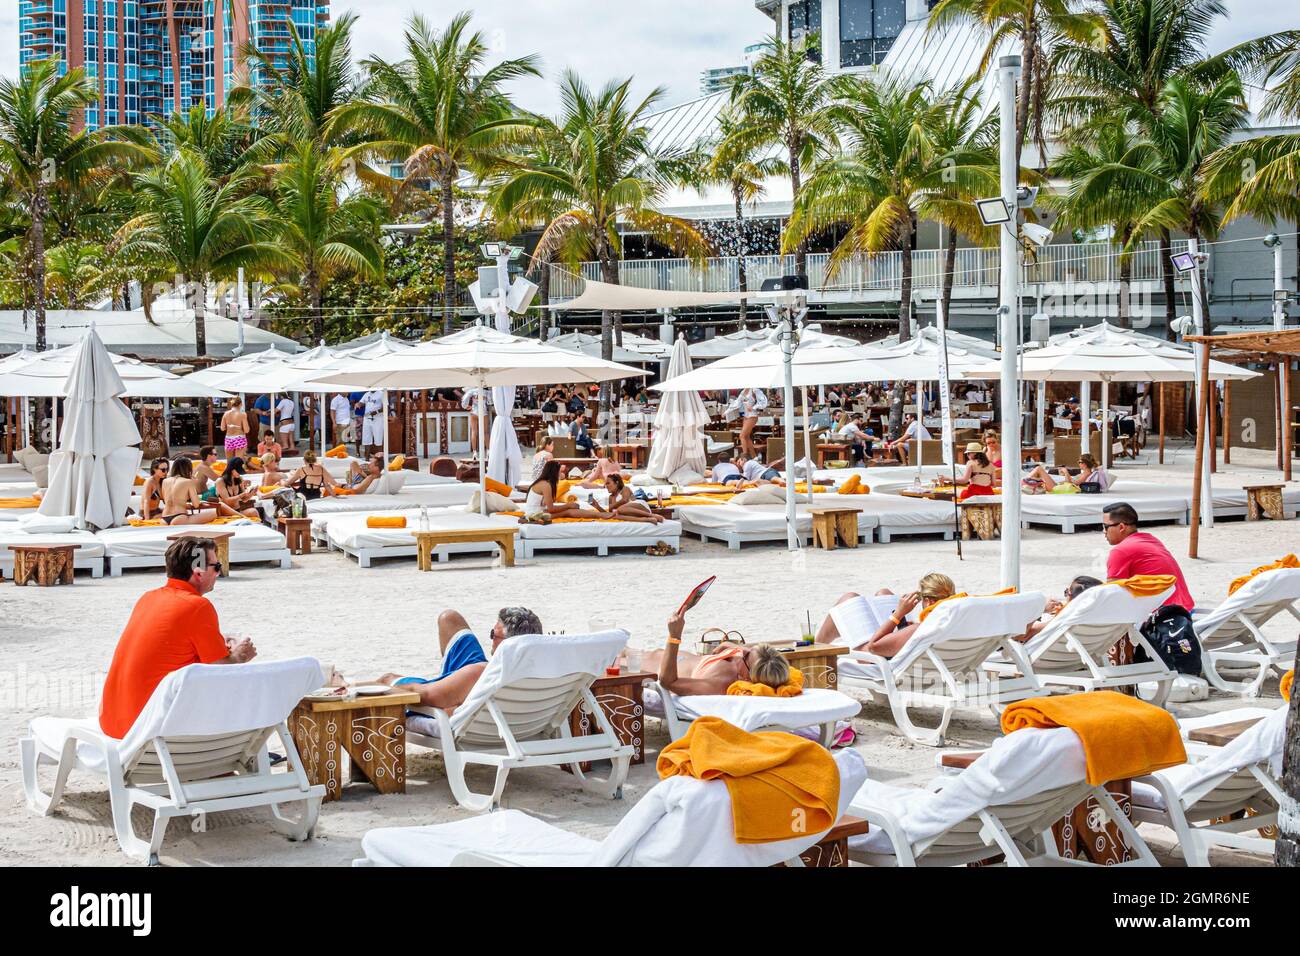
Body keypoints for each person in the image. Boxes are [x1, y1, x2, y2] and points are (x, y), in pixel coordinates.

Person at [99, 537, 257, 738]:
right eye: (216, 566)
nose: (219, 572)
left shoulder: (148, 598)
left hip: (114, 723)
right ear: (198, 571)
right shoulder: (197, 607)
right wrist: (239, 655)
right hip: (148, 731)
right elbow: (221, 669)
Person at [377, 607, 543, 712]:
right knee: (449, 618)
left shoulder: (480, 672)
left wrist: (369, 686)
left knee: (388, 678)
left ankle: (448, 681)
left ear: (508, 644)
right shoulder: (550, 671)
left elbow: (426, 695)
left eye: (494, 635)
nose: (491, 639)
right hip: (492, 697)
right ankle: (450, 678)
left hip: (472, 687)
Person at [641, 609, 792, 696]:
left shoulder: (719, 683)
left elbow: (668, 682)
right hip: (658, 655)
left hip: (646, 669)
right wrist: (728, 645)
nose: (741, 652)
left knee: (619, 652)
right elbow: (746, 652)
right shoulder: (745, 661)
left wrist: (674, 637)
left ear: (749, 678)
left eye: (745, 656)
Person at [815, 572, 957, 657]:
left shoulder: (922, 628)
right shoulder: (955, 619)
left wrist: (898, 614)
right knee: (883, 593)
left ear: (928, 601)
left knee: (849, 598)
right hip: (918, 653)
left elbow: (873, 646)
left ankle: (816, 646)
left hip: (878, 657)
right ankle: (817, 643)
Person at [1102, 503, 1194, 609]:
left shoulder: (1120, 551)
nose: (1104, 532)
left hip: (1162, 617)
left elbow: (1112, 595)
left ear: (1121, 527)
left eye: (1105, 527)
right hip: (1184, 610)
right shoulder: (1150, 539)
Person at [1024, 575, 1103, 641]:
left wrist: (1040, 608)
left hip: (1051, 657)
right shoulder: (1102, 617)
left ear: (1072, 598)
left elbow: (1022, 635)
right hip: (1088, 653)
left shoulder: (1066, 619)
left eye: (1066, 592)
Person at [522, 459, 595, 523]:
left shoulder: (544, 482)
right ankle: (600, 515)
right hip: (535, 516)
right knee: (569, 512)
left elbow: (544, 504)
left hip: (536, 513)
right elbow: (551, 509)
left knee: (569, 509)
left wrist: (567, 506)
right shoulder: (545, 485)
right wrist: (568, 505)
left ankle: (599, 514)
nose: (561, 474)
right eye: (559, 472)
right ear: (554, 472)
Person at [160, 457, 219, 525]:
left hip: (164, 519)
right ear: (188, 469)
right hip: (179, 517)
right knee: (214, 513)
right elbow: (196, 504)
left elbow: (167, 501)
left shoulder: (165, 481)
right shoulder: (188, 481)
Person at [593, 473, 665, 524]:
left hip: (640, 507)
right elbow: (609, 514)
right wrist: (598, 507)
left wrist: (613, 507)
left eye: (608, 483)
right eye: (605, 484)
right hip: (629, 513)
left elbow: (625, 500)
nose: (606, 485)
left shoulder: (625, 489)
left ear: (616, 483)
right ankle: (646, 519)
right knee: (615, 516)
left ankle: (652, 515)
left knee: (619, 510)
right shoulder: (610, 497)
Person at [1023, 454, 1109, 495]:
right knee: (1039, 476)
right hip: (1060, 487)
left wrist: (1066, 472)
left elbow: (1071, 484)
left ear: (1085, 464)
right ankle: (1027, 484)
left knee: (1039, 469)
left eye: (1080, 462)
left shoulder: (1086, 474)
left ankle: (1024, 483)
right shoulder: (1085, 474)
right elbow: (1070, 482)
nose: (1078, 463)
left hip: (1060, 489)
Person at [736, 387, 767, 458]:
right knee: (746, 437)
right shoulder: (743, 391)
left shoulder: (754, 390)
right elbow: (737, 403)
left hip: (752, 415)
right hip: (746, 416)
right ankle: (754, 457)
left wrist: (753, 407)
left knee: (742, 436)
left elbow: (764, 403)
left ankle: (744, 457)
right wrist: (727, 411)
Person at [462, 387, 487, 453]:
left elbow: (464, 400)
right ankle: (488, 451)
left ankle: (474, 452)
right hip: (483, 412)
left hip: (474, 412)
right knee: (485, 432)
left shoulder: (471, 391)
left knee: (473, 432)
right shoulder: (487, 391)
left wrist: (465, 406)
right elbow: (490, 402)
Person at [360, 389, 385, 456]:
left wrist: (376, 412)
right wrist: (358, 404)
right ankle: (367, 459)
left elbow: (385, 407)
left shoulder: (381, 393)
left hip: (378, 420)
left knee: (378, 439)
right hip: (367, 419)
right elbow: (362, 403)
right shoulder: (367, 394)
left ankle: (380, 459)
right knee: (366, 439)